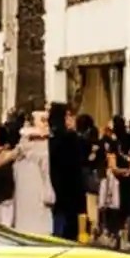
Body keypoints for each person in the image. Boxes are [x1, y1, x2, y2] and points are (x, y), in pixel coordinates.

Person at [48, 102, 85, 241]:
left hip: (55, 191)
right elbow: (76, 169)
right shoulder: (70, 139)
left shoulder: (50, 140)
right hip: (70, 193)